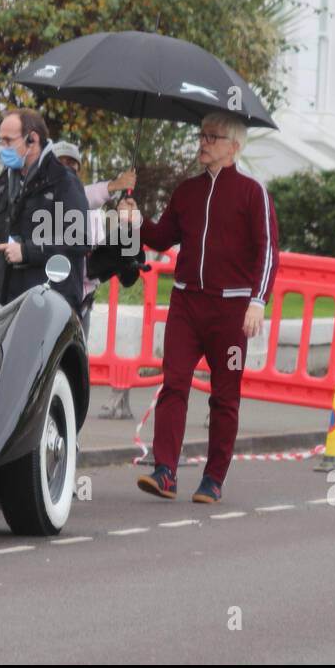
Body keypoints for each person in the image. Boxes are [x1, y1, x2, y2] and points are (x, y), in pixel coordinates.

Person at [117, 111, 279, 505]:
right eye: (202, 135)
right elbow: (161, 236)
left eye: (213, 137)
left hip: (232, 311)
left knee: (225, 396)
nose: (203, 142)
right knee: (173, 384)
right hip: (186, 304)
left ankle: (213, 479)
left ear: (234, 147)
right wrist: (134, 219)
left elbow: (269, 252)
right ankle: (165, 471)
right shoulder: (186, 192)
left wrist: (258, 301)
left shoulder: (252, 192)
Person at [0, 108, 90, 313]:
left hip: (49, 304)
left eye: (8, 141)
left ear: (32, 139)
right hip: (4, 303)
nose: (3, 148)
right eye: (1, 141)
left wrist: (27, 251)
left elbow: (78, 239)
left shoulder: (63, 181)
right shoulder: (5, 183)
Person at [50, 140, 135, 338]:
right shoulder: (44, 198)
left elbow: (97, 253)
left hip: (81, 300)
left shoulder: (92, 210)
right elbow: (77, 198)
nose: (66, 168)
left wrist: (126, 223)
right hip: (50, 296)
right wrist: (114, 185)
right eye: (60, 162)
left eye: (71, 163)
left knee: (77, 361)